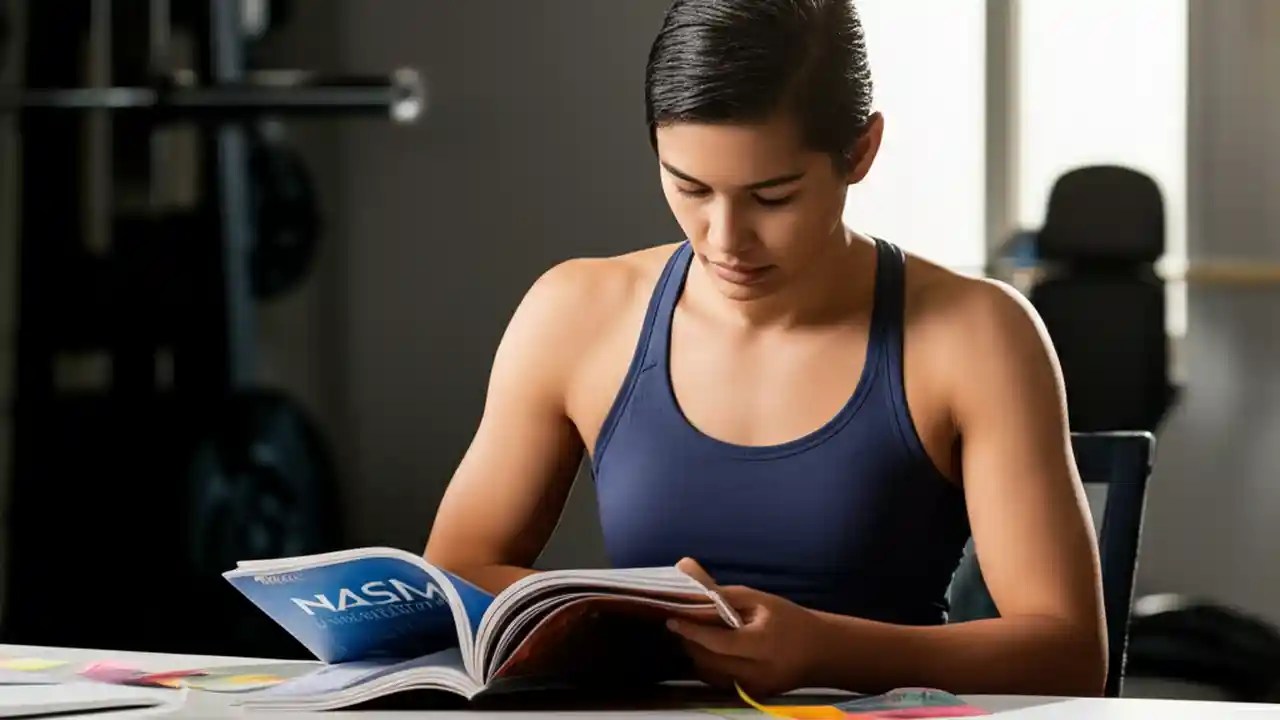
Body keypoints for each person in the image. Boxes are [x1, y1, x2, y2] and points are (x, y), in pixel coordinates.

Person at [424, 0, 1106, 700]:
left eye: (773, 197)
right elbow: (459, 568)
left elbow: (1068, 651)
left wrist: (826, 651)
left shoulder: (978, 333)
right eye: (689, 187)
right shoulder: (574, 312)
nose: (724, 238)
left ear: (861, 153)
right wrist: (625, 611)